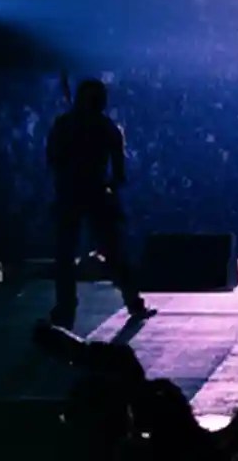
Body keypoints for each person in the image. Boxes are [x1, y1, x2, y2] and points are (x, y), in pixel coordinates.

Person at [46, 78, 155, 330]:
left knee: (65, 254)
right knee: (114, 251)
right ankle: (133, 302)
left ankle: (65, 307)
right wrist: (107, 188)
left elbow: (52, 160)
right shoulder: (107, 128)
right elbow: (118, 174)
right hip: (96, 194)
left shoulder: (64, 125)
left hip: (70, 194)